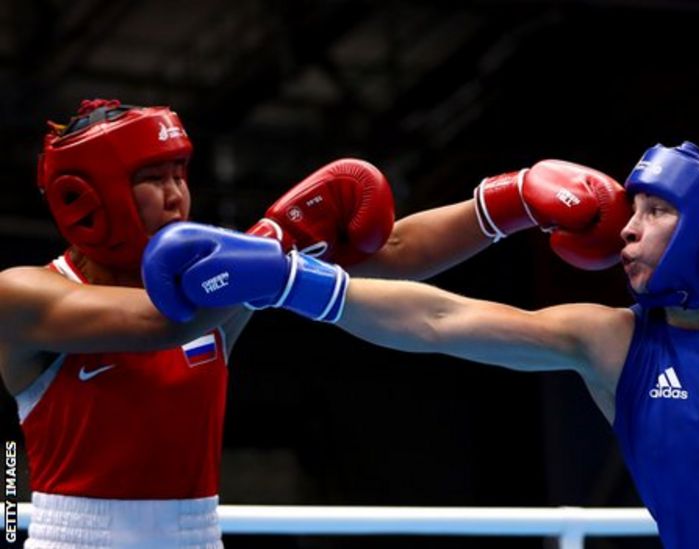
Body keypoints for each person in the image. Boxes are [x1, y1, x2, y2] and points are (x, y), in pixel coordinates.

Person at [143, 140, 699, 549]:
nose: (625, 230)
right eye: (632, 209)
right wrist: (293, 282)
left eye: (654, 214)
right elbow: (439, 320)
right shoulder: (610, 341)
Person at [0, 98, 628, 548]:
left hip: (197, 534)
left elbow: (389, 258)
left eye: (179, 175)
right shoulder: (25, 294)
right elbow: (156, 324)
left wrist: (509, 201)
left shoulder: (218, 281)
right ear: (88, 197)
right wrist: (278, 236)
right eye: (150, 179)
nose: (175, 196)